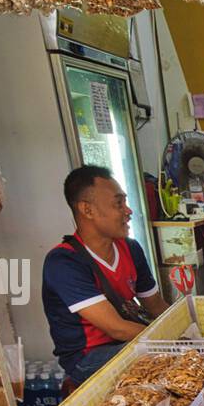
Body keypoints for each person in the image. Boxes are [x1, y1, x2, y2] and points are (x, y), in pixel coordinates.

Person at [42, 165, 167, 385]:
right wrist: (171, 343)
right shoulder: (64, 262)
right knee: (169, 364)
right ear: (87, 210)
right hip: (88, 357)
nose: (128, 211)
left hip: (129, 341)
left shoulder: (131, 248)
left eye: (125, 202)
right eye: (118, 203)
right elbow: (115, 328)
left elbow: (155, 305)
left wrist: (186, 331)